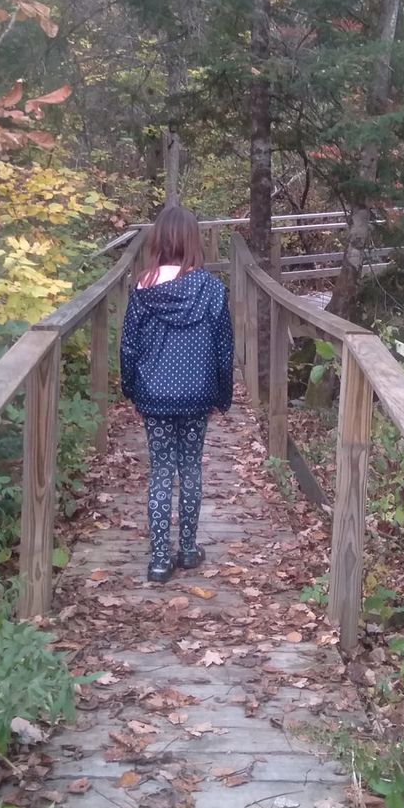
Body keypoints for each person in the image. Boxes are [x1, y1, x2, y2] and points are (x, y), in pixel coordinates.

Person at [120, 205, 234, 584]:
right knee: (190, 468)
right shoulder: (212, 289)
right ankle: (186, 550)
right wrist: (222, 395)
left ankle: (157, 560)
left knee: (161, 470)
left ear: (159, 240)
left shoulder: (142, 287)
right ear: (192, 241)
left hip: (155, 395)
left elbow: (129, 348)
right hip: (196, 393)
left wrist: (131, 390)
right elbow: (224, 348)